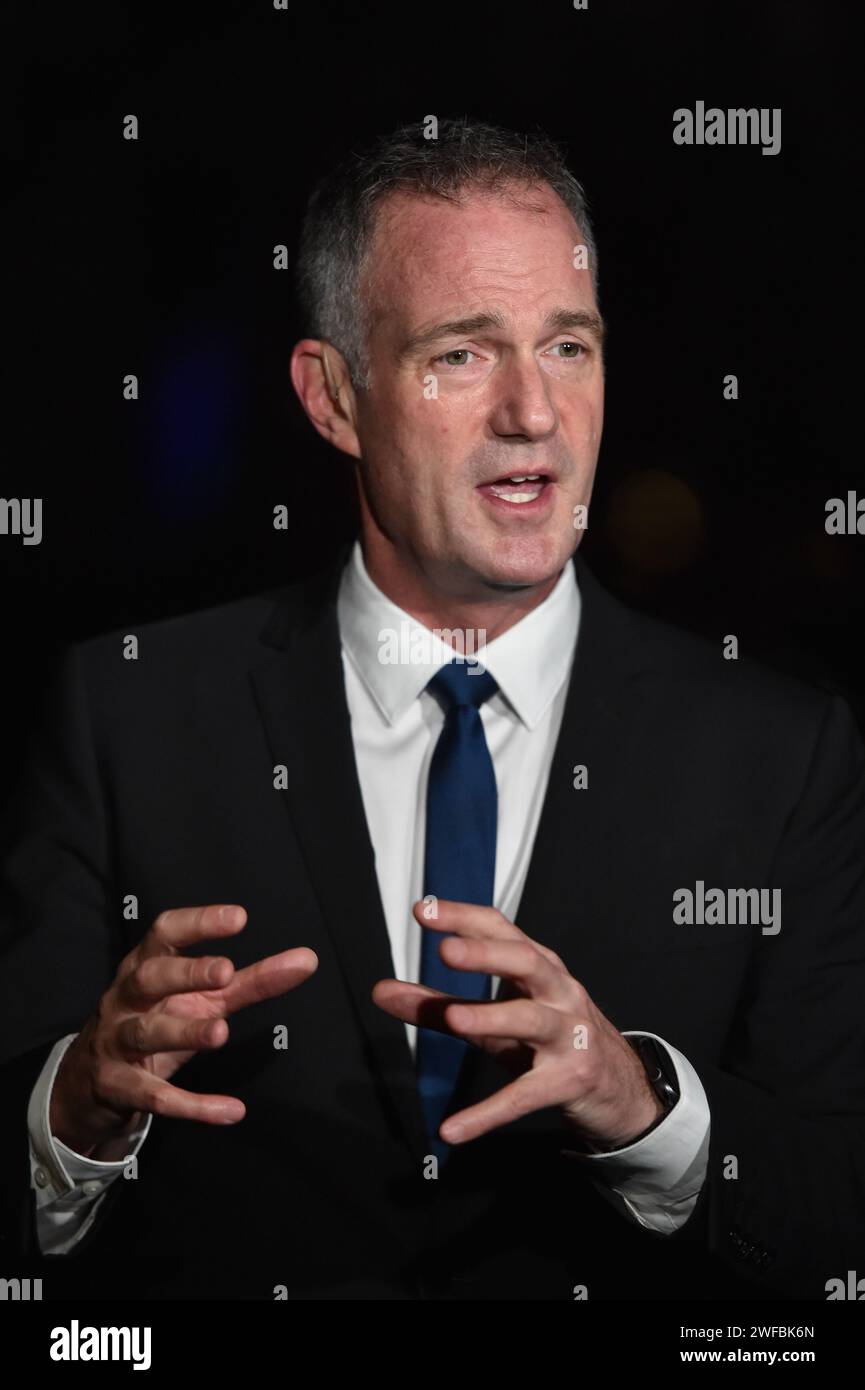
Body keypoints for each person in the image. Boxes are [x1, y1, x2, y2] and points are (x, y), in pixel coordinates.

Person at [1, 119, 863, 1301]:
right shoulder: (126, 708)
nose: (532, 413)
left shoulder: (784, 750)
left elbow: (837, 1222)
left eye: (567, 346)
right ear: (334, 397)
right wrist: (78, 1103)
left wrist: (646, 1110)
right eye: (461, 355)